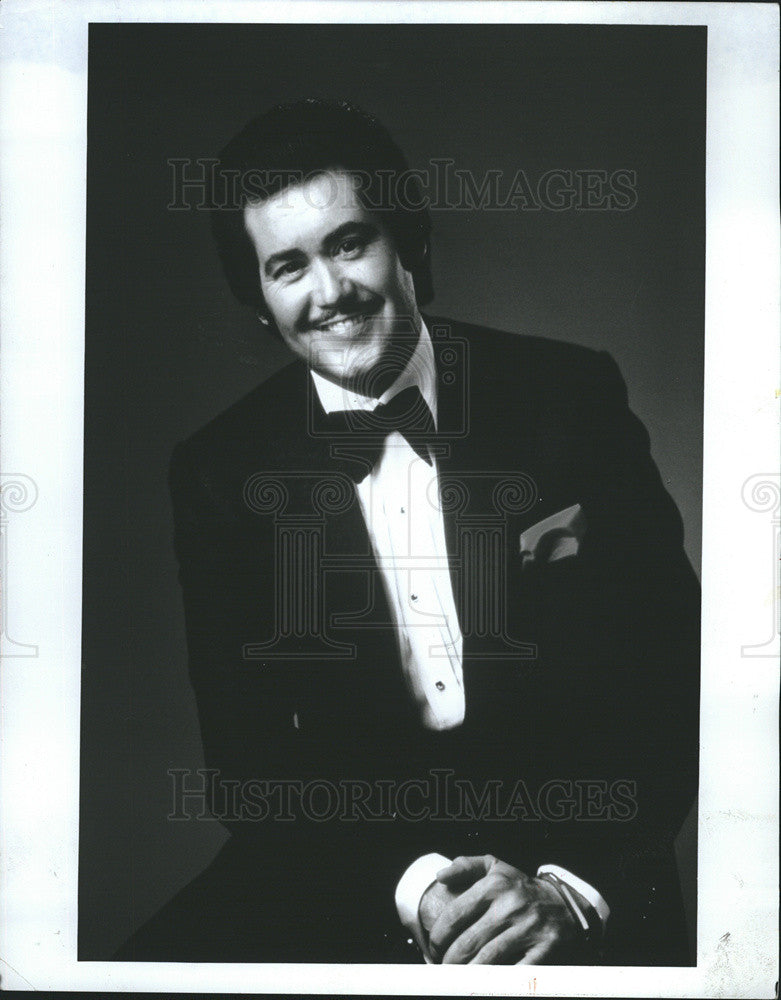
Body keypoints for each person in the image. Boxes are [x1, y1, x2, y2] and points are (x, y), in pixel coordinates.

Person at [118, 98, 700, 965]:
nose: (330, 293)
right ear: (259, 300)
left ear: (409, 240)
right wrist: (414, 884)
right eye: (288, 267)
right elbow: (245, 761)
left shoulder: (566, 395)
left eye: (350, 243)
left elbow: (675, 671)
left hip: (576, 845)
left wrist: (569, 885)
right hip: (348, 861)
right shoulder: (218, 471)